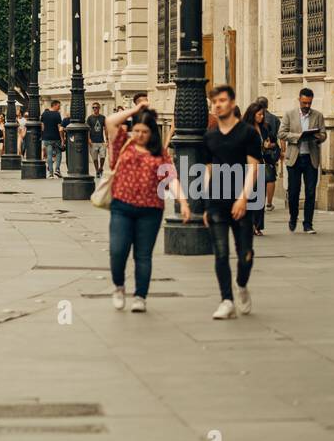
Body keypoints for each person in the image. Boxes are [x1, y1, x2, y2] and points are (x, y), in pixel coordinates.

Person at [104, 105, 188, 313]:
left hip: (150, 210)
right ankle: (119, 286)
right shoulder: (123, 143)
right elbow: (110, 121)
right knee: (118, 250)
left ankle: (140, 296)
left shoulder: (159, 154)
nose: (140, 135)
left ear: (152, 133)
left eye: (145, 132)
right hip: (122, 207)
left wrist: (184, 202)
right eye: (137, 130)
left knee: (143, 255)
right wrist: (135, 110)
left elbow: (172, 179)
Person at [204, 85, 263, 319]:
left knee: (245, 253)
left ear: (232, 102)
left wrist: (243, 198)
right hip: (217, 202)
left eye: (222, 101)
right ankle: (226, 300)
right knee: (220, 253)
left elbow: (253, 168)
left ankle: (241, 285)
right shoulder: (210, 136)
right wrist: (207, 206)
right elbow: (207, 172)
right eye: (214, 102)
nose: (217, 105)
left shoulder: (247, 133)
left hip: (242, 201)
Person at [279, 88, 327, 234]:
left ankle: (308, 224)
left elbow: (324, 134)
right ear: (299, 99)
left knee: (311, 192)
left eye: (309, 103)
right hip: (294, 158)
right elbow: (281, 133)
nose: (307, 106)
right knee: (293, 192)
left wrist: (319, 136)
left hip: (310, 158)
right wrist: (297, 136)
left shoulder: (318, 115)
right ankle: (293, 217)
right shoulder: (289, 115)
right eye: (304, 102)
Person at [241, 101, 272, 236]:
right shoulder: (244, 128)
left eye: (263, 114)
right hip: (248, 165)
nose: (262, 117)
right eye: (259, 114)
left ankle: (258, 225)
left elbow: (269, 142)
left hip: (260, 163)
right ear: (252, 114)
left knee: (260, 196)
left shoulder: (264, 128)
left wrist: (268, 146)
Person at [258, 96, 282, 211]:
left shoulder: (253, 118)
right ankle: (269, 203)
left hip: (259, 152)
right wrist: (283, 149)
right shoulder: (275, 119)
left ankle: (260, 201)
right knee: (271, 177)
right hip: (271, 151)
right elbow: (280, 135)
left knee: (259, 177)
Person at [41, 100, 64, 179]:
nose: (59, 107)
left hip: (46, 137)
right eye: (58, 106)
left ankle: (50, 173)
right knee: (58, 153)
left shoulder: (44, 114)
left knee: (49, 155)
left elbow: (42, 126)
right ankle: (57, 169)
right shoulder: (57, 114)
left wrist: (44, 134)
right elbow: (59, 128)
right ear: (54, 105)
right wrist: (62, 139)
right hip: (56, 137)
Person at [86, 102, 107, 178]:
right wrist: (88, 139)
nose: (95, 109)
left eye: (96, 107)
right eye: (93, 108)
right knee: (94, 158)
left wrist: (106, 139)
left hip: (101, 141)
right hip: (93, 141)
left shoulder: (102, 118)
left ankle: (101, 168)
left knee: (103, 156)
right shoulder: (90, 118)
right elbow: (88, 129)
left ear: (99, 108)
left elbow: (106, 128)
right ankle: (97, 171)